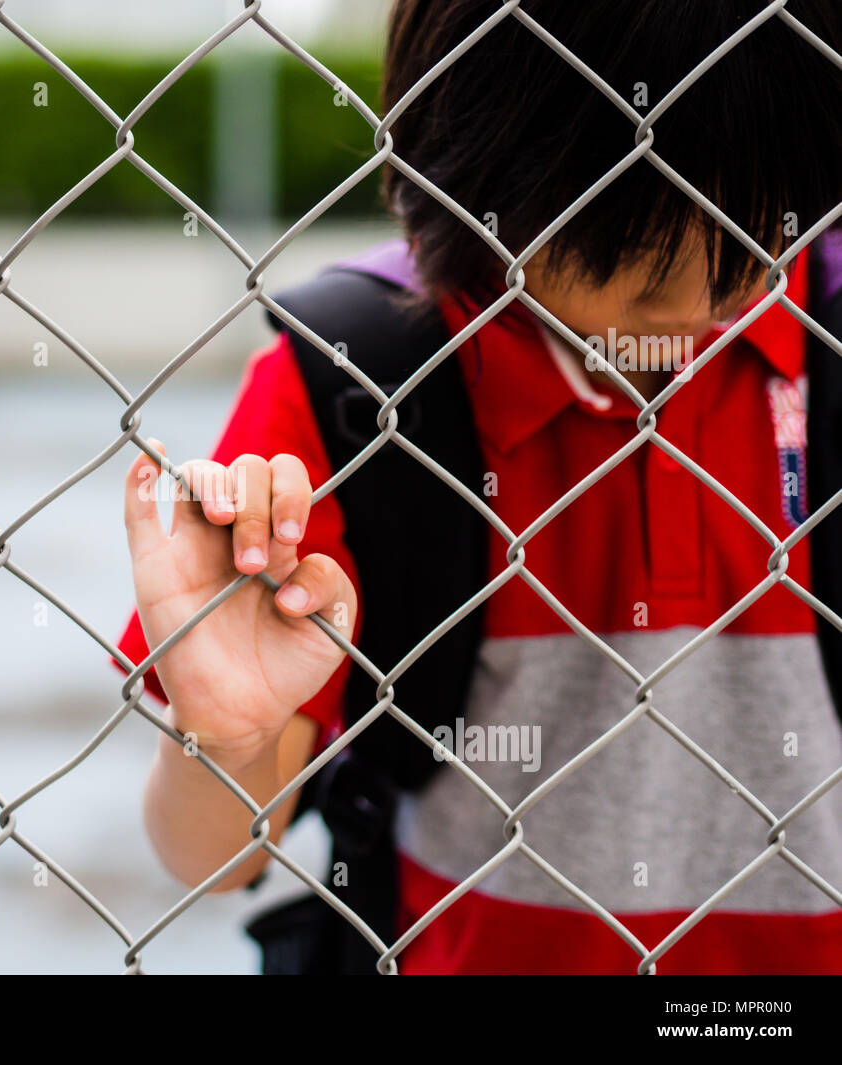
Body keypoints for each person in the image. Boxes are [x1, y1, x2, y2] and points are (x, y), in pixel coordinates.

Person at [116, 0, 842, 973]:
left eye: (752, 241)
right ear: (472, 178)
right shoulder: (359, 386)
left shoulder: (824, 344)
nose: (700, 306)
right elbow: (209, 856)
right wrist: (230, 737)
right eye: (636, 258)